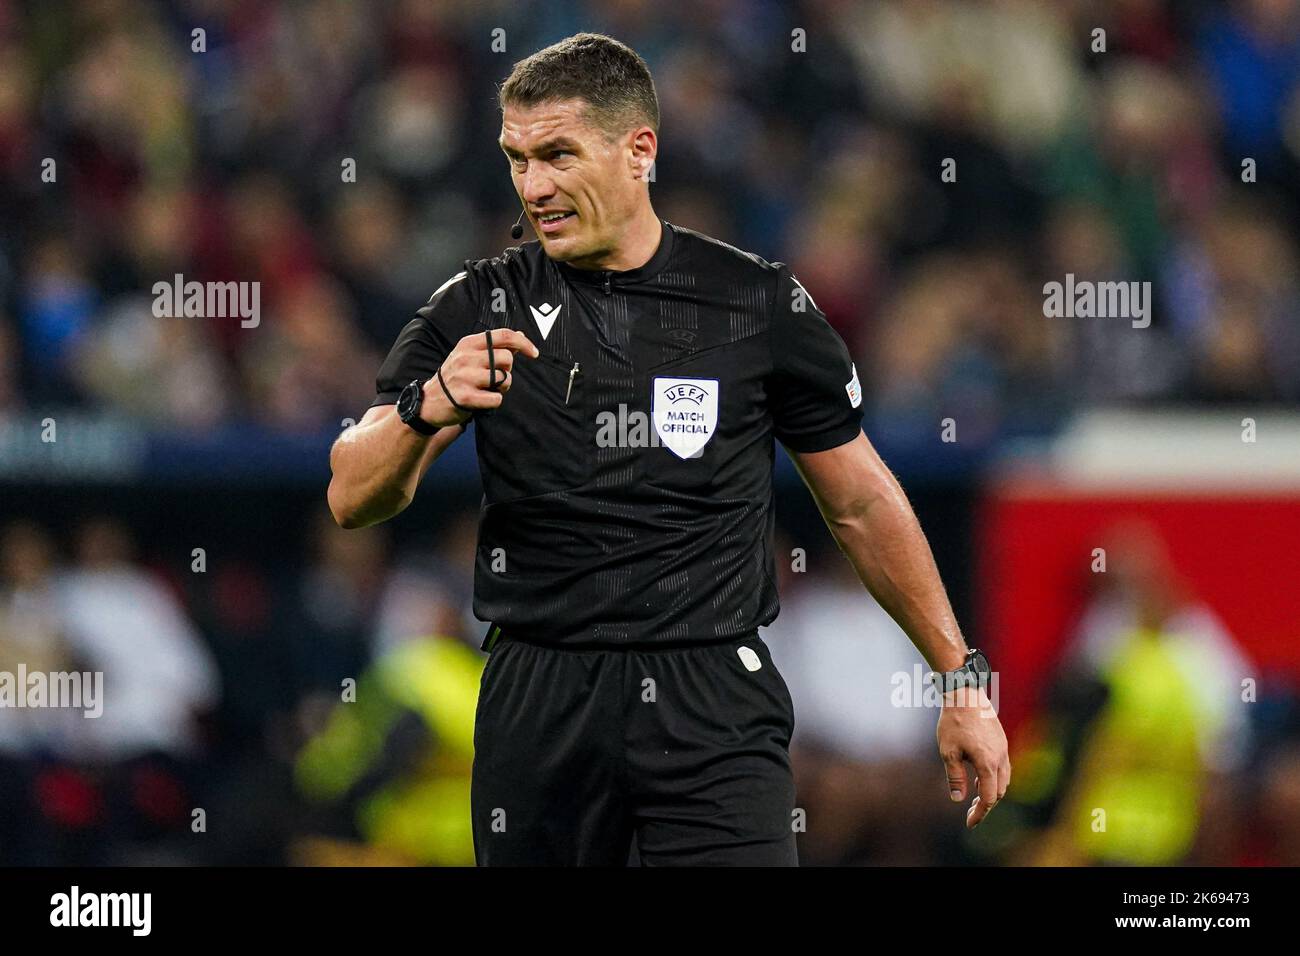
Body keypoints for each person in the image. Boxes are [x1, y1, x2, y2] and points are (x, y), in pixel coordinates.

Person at [328, 32, 1009, 866]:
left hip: (712, 700)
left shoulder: (754, 302)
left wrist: (961, 680)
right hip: (541, 702)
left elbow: (862, 502)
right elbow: (352, 494)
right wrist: (425, 406)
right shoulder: (481, 301)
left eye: (558, 155)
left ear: (638, 149)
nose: (533, 187)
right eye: (517, 159)